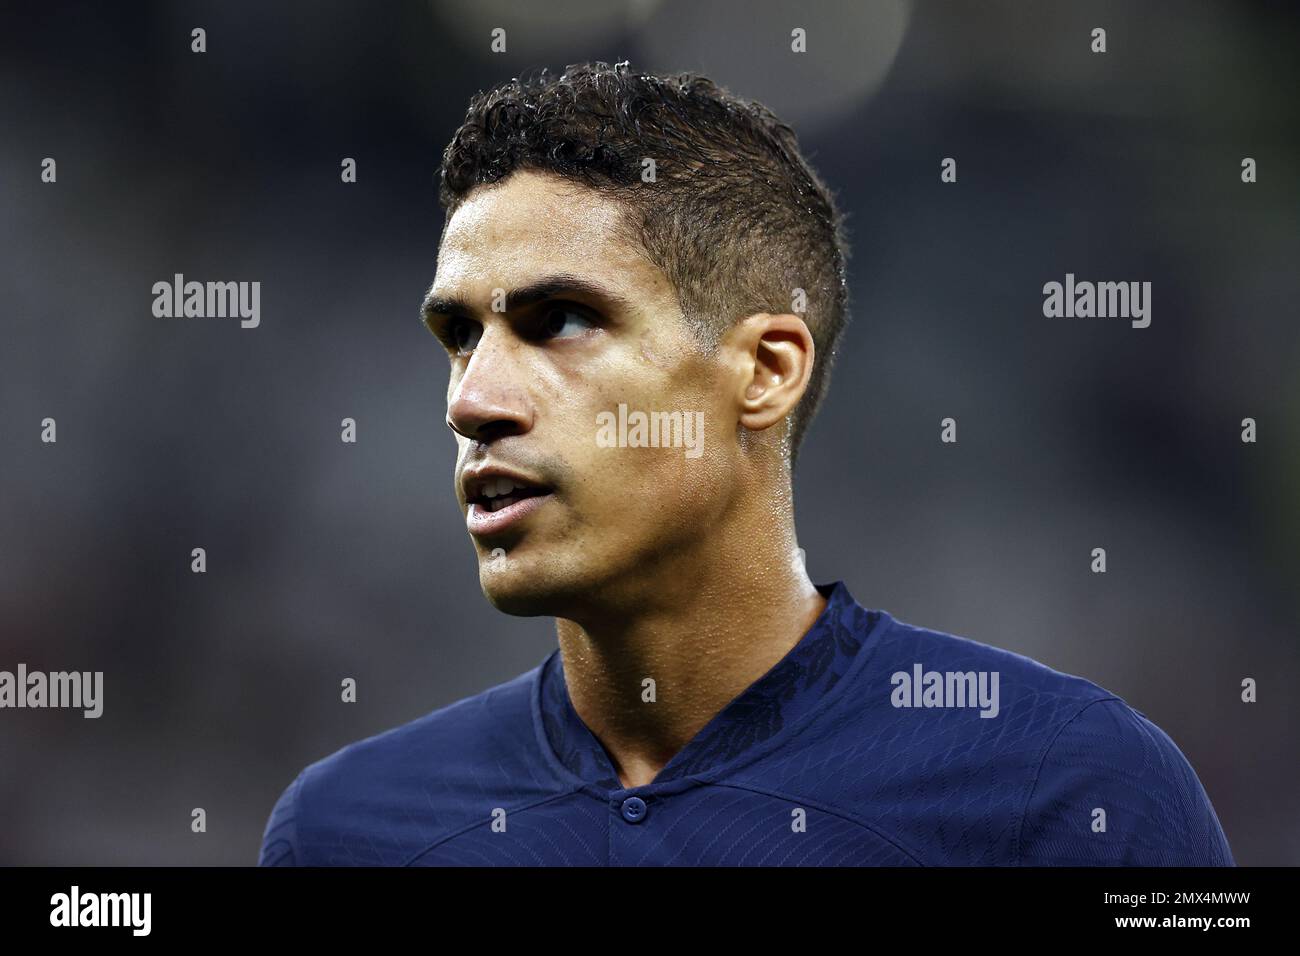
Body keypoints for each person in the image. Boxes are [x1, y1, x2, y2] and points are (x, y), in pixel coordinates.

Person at [258, 61, 1232, 866]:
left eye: (558, 320)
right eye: (458, 334)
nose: (471, 399)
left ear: (764, 370)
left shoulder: (1068, 789)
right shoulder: (344, 830)